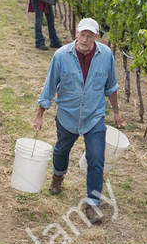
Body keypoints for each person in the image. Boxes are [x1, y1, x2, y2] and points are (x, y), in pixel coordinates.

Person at [34, 16, 124, 225]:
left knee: (96, 158)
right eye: (82, 34)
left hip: (94, 116)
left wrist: (116, 111)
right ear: (76, 34)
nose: (85, 39)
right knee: (61, 151)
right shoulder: (61, 56)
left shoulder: (106, 56)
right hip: (68, 115)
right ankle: (58, 177)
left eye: (90, 36)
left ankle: (92, 203)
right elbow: (49, 87)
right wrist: (39, 115)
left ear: (96, 37)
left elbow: (111, 86)